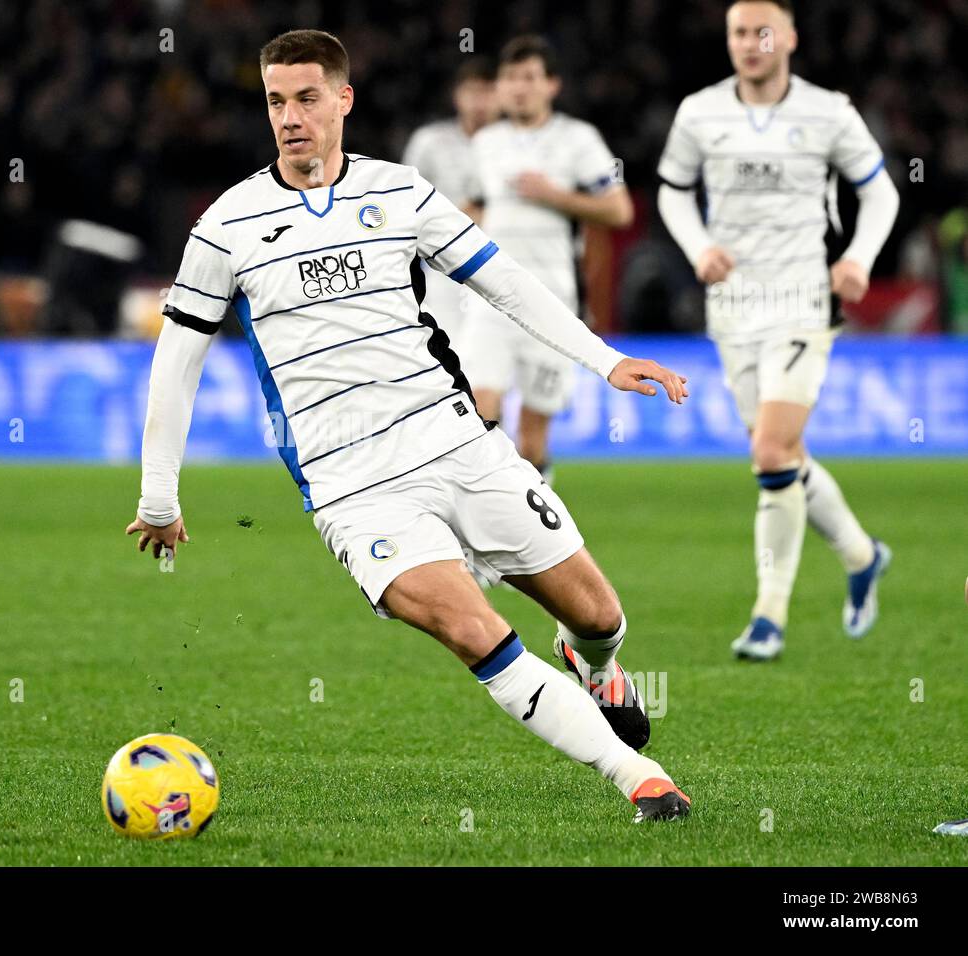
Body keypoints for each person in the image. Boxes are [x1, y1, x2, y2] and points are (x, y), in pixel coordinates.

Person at [128, 30, 692, 821]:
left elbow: (506, 283)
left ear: (343, 98)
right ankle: (640, 776)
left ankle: (593, 662)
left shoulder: (402, 193)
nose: (290, 118)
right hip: (354, 487)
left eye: (306, 98)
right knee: (474, 629)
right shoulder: (228, 225)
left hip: (457, 441)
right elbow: (176, 360)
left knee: (599, 615)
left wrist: (603, 360)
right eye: (275, 102)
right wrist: (160, 493)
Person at [656, 0, 899, 661]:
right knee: (782, 455)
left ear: (789, 37)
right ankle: (860, 552)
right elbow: (672, 190)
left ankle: (768, 616)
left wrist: (856, 259)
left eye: (763, 31)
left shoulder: (828, 111)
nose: (750, 43)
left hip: (801, 300)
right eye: (739, 32)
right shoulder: (699, 112)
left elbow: (881, 192)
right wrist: (699, 246)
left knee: (768, 453)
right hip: (733, 307)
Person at [457, 36, 634, 483]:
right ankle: (485, 536)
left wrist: (553, 194)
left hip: (552, 301)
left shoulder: (578, 140)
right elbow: (477, 206)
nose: (519, 88)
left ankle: (537, 538)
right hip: (488, 301)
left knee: (533, 440)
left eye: (530, 78)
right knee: (480, 418)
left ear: (551, 85)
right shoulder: (486, 142)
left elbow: (619, 210)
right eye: (511, 78)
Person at [401, 57, 498, 341]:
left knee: (495, 356)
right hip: (443, 265)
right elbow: (404, 205)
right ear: (457, 96)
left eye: (487, 92)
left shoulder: (516, 145)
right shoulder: (429, 142)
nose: (479, 102)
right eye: (472, 92)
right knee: (448, 349)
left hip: (500, 259)